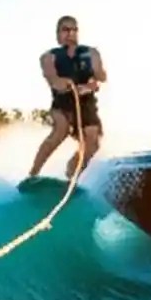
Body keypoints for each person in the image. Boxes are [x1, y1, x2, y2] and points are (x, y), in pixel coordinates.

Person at [27, 15, 107, 180]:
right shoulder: (48, 57)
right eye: (65, 30)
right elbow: (53, 80)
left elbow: (101, 77)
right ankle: (33, 173)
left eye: (74, 30)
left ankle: (71, 173)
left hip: (86, 102)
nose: (70, 33)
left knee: (92, 140)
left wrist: (93, 81)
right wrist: (66, 84)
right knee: (60, 130)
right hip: (62, 102)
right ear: (57, 34)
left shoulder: (91, 53)